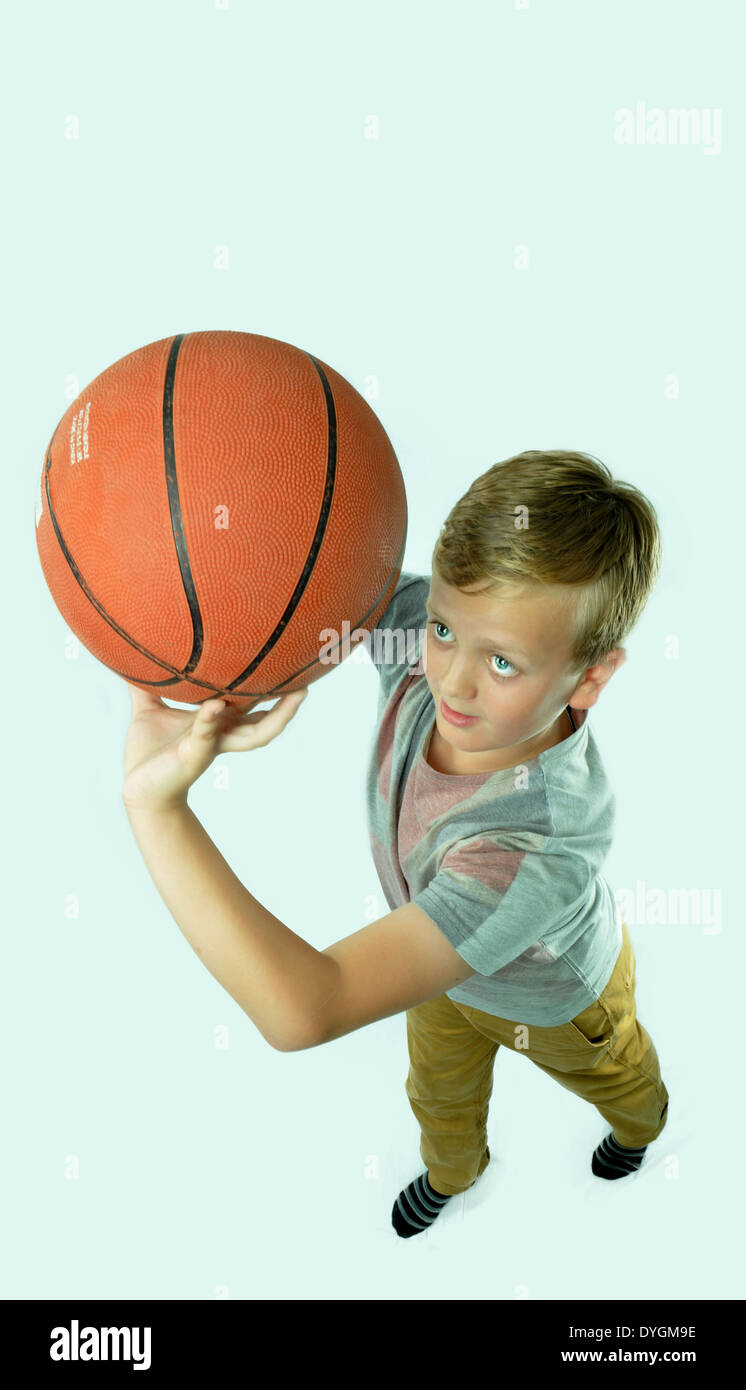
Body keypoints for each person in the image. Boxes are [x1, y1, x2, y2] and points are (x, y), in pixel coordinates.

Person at [122, 447, 669, 1242]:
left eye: (505, 661)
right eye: (446, 626)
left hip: (558, 1001)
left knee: (617, 1078)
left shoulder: (527, 849)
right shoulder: (421, 638)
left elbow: (304, 1009)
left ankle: (643, 1125)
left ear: (589, 679)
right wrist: (219, 652)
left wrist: (155, 806)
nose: (449, 679)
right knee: (438, 1099)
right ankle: (456, 1174)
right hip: (444, 976)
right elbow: (315, 582)